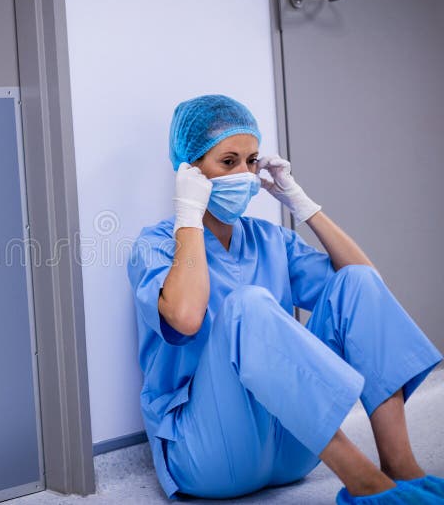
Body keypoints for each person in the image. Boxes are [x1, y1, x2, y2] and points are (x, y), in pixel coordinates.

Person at [127, 94, 444, 504]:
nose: (244, 173)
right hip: (208, 452)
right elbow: (186, 318)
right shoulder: (153, 245)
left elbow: (368, 290)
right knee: (248, 305)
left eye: (251, 160)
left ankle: (401, 468)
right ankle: (366, 484)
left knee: (357, 282)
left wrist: (302, 205)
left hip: (292, 444)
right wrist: (188, 216)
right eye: (228, 162)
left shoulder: (270, 238)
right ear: (192, 171)